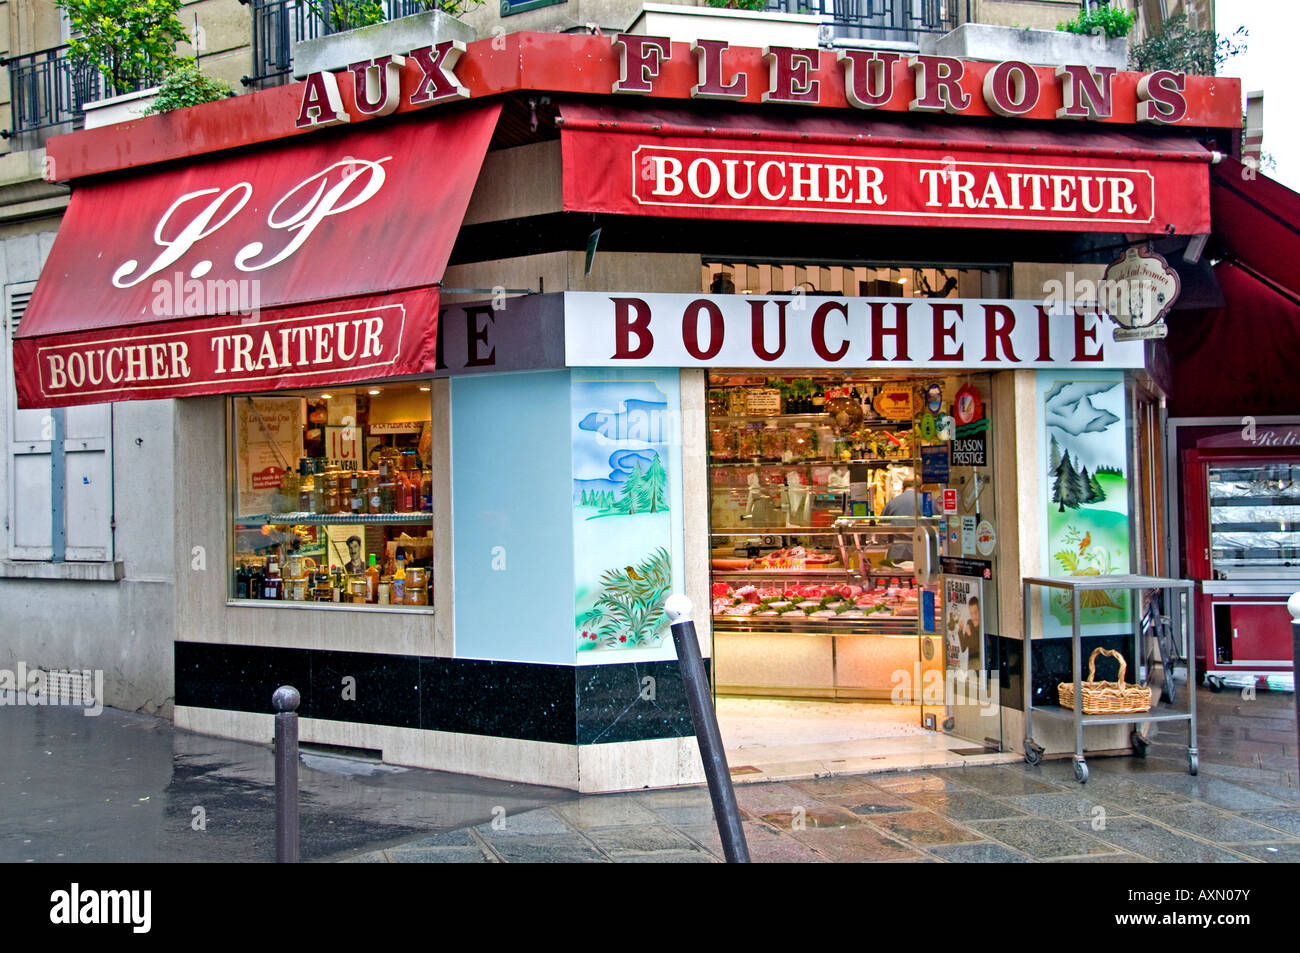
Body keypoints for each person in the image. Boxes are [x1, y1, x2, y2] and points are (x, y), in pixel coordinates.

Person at [880, 489, 915, 562]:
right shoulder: (928, 502)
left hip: (897, 552)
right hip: (922, 550)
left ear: (902, 488)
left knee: (897, 572)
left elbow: (881, 527)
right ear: (920, 488)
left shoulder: (891, 503)